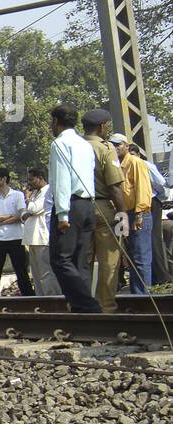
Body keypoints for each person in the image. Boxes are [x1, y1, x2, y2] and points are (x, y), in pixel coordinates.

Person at [47, 104, 101, 313]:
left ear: (55, 122)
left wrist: (62, 214)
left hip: (69, 205)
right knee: (81, 260)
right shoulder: (84, 144)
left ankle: (87, 304)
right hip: (87, 204)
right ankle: (83, 309)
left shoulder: (59, 144)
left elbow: (61, 180)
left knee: (60, 258)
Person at [80, 109, 127, 313]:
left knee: (83, 261)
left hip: (79, 209)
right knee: (109, 260)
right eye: (107, 126)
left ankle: (82, 305)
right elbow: (115, 185)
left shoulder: (74, 146)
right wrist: (122, 212)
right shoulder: (105, 148)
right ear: (102, 127)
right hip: (102, 207)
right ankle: (106, 306)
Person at [111, 134, 154, 295]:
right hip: (123, 214)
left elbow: (143, 189)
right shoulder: (116, 165)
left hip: (137, 213)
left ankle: (143, 297)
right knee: (129, 258)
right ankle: (136, 294)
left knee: (141, 258)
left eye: (118, 145)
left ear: (126, 146)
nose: (115, 148)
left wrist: (139, 214)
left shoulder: (136, 162)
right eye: (113, 145)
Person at [0, 168, 34, 297]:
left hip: (16, 238)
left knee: (22, 273)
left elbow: (21, 214)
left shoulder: (17, 195)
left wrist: (1, 220)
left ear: (4, 179)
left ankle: (31, 301)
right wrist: (8, 216)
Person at [20, 167, 59, 296]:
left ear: (40, 178)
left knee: (46, 272)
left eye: (31, 180)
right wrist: (28, 210)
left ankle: (52, 299)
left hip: (43, 237)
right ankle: (40, 299)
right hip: (32, 238)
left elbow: (34, 209)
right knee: (36, 274)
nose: (29, 183)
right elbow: (24, 214)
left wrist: (27, 199)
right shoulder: (36, 193)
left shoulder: (48, 191)